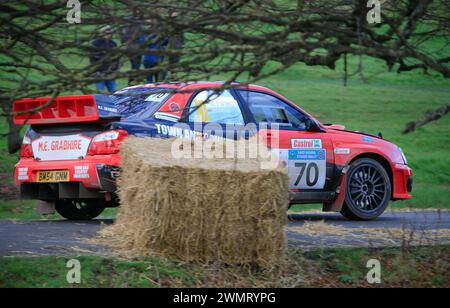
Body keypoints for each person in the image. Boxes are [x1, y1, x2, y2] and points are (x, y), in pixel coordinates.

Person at [120, 7, 146, 84]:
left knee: (137, 65)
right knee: (135, 65)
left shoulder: (142, 20)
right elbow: (124, 32)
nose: (139, 11)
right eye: (137, 10)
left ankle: (134, 81)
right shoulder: (130, 20)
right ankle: (131, 81)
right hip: (131, 46)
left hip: (140, 46)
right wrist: (127, 42)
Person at [90, 25, 119, 93]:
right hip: (99, 72)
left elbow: (117, 58)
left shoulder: (113, 44)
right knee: (100, 92)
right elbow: (92, 58)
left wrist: (115, 69)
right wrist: (95, 70)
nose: (108, 35)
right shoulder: (95, 44)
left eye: (109, 33)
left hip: (110, 72)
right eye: (106, 33)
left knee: (113, 92)